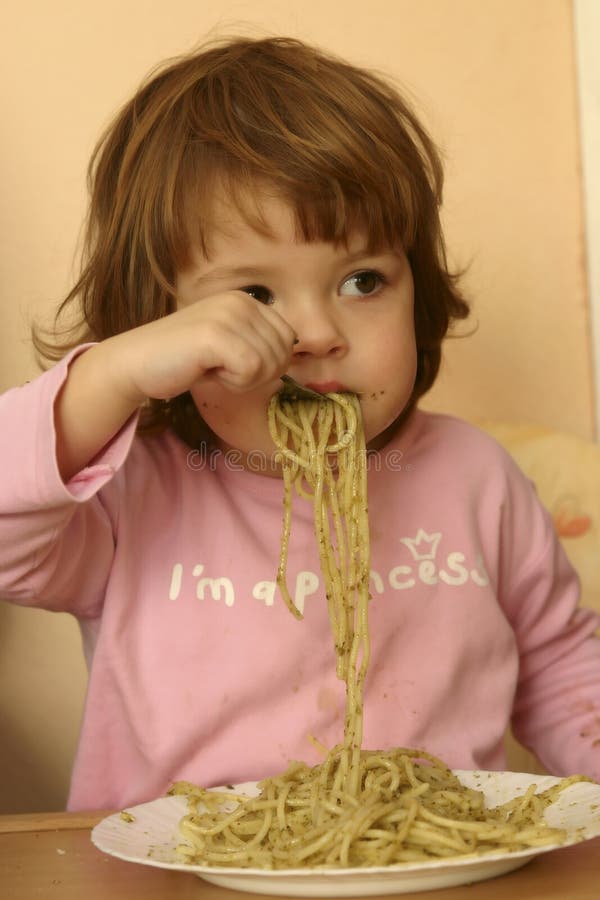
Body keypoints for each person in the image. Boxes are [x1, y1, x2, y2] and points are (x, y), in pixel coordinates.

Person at [0, 36, 598, 812]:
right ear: (161, 323)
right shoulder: (127, 494)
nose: (315, 334)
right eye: (254, 295)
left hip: (432, 858)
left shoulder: (477, 478)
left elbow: (562, 670)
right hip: (178, 867)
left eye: (363, 280)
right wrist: (110, 375)